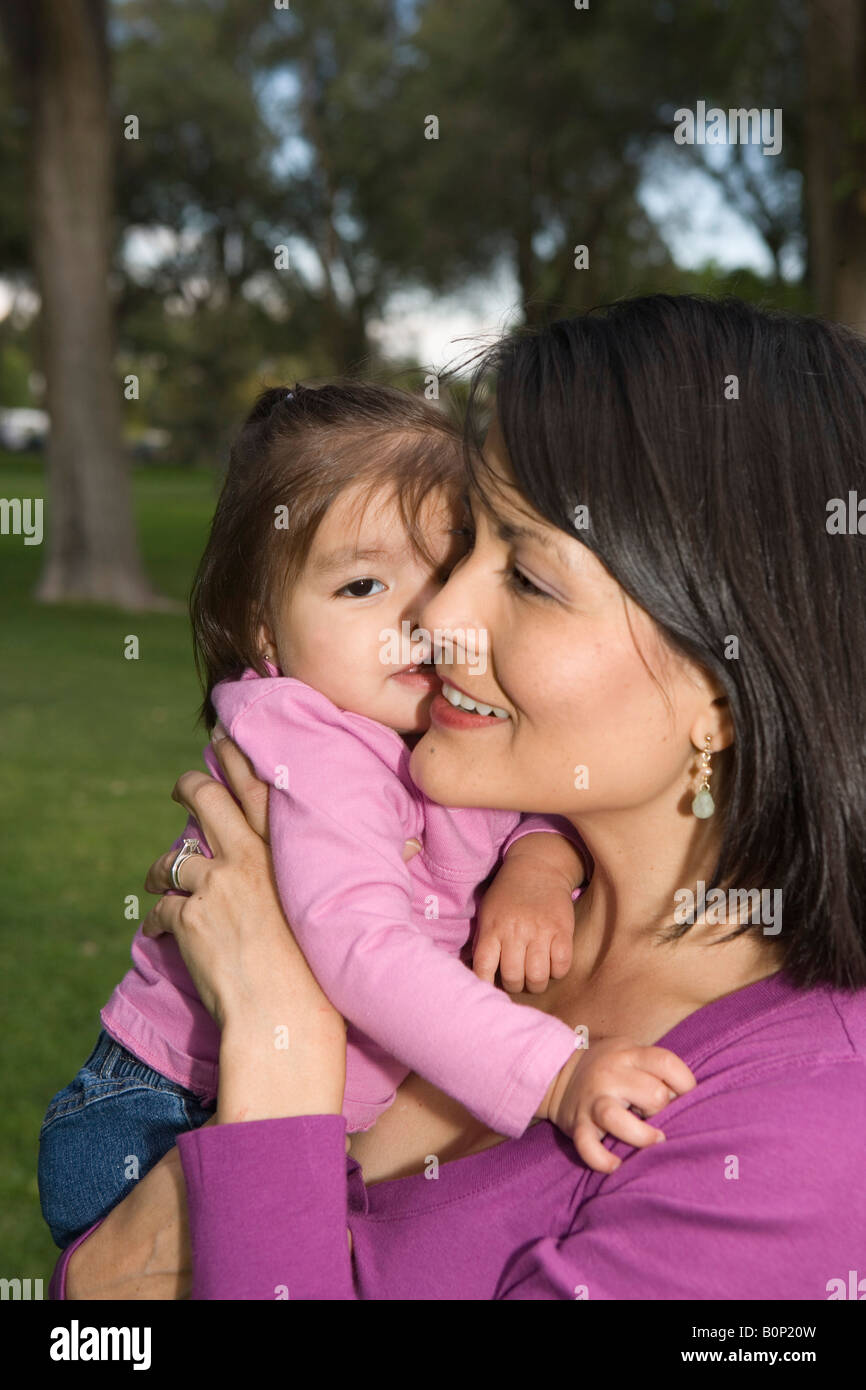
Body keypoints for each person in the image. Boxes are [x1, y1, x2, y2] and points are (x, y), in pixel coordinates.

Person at [52, 294, 866, 1300]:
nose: (436, 613)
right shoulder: (496, 892)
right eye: (463, 540)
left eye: (524, 576)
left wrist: (279, 1041)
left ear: (724, 685)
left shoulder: (804, 1137)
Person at [39, 380, 691, 1252]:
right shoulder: (314, 746)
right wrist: (556, 1073)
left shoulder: (443, 719)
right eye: (362, 586)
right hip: (162, 1109)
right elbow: (357, 951)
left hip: (307, 1103)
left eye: (448, 568)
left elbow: (535, 801)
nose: (424, 619)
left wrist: (540, 864)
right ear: (264, 632)